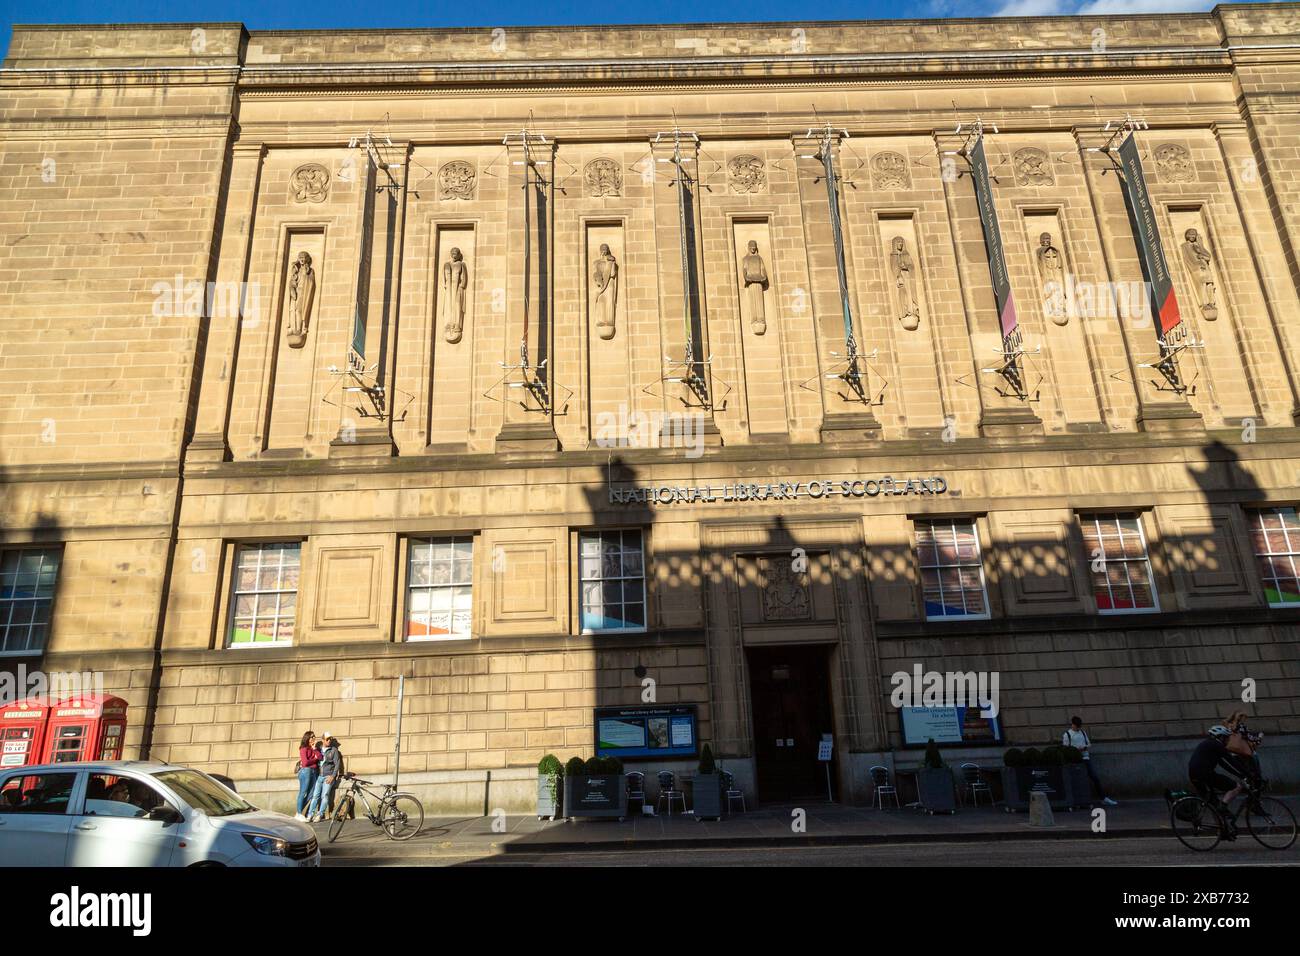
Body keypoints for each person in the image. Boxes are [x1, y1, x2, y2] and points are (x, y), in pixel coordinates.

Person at [1188, 722, 1258, 839]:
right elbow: (1230, 760)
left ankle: (1222, 832)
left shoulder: (1208, 745)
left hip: (1194, 775)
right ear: (1220, 737)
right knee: (1236, 787)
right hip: (1205, 774)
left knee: (1212, 803)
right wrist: (1248, 774)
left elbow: (1224, 764)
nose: (1227, 741)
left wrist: (1240, 774)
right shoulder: (1216, 745)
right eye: (1226, 738)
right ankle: (1223, 805)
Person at [1062, 715, 1118, 806]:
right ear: (1073, 725)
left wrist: (1084, 747)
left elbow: (1088, 744)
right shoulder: (1067, 735)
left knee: (1095, 778)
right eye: (1076, 726)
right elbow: (1065, 749)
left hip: (1086, 758)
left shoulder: (1083, 733)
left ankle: (1103, 798)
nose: (1078, 728)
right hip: (1075, 761)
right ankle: (1077, 800)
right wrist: (1076, 750)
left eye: (1079, 726)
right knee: (1077, 781)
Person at [307, 734, 342, 823]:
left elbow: (337, 764)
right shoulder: (318, 749)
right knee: (315, 796)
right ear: (323, 740)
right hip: (319, 776)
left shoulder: (334, 750)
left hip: (328, 776)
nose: (329, 741)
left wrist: (333, 776)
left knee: (325, 796)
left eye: (330, 739)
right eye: (327, 739)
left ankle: (320, 814)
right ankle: (310, 814)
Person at [295, 730, 320, 821]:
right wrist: (315, 759)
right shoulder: (303, 748)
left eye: (314, 736)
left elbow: (320, 757)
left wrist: (315, 750)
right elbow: (305, 763)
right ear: (307, 738)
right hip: (306, 771)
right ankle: (298, 813)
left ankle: (299, 811)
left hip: (314, 772)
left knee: (311, 793)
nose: (314, 738)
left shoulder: (313, 748)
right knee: (303, 792)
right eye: (312, 737)